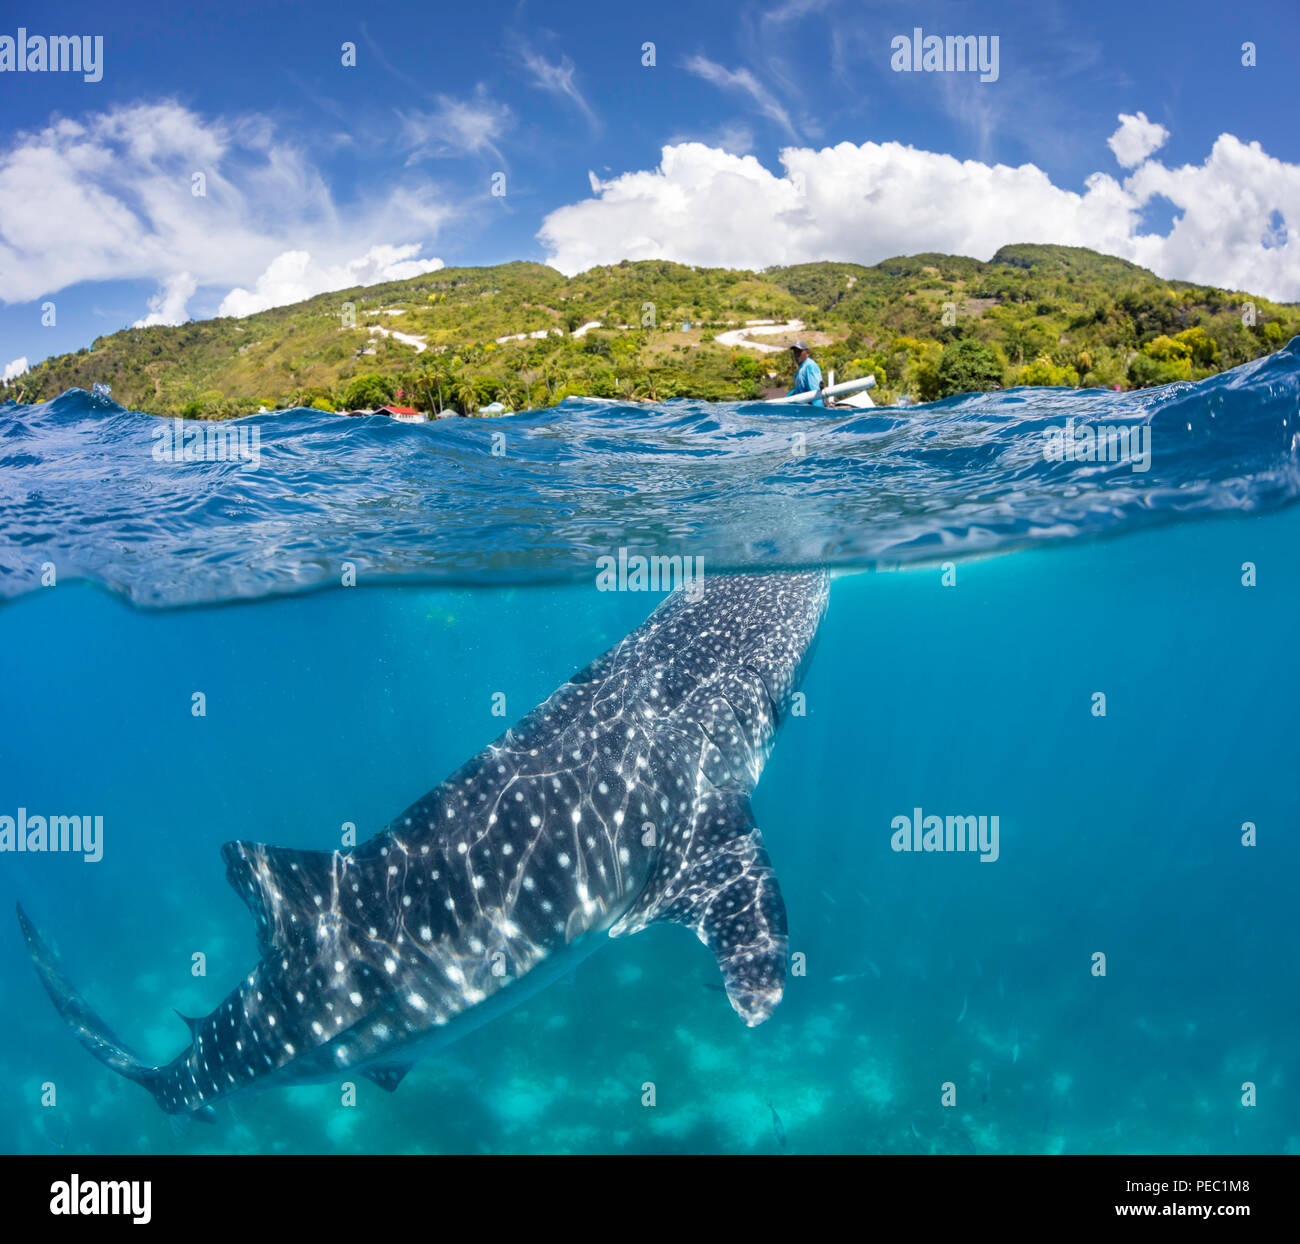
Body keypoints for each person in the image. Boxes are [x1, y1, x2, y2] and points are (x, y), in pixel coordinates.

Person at [787, 340, 824, 406]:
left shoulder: (810, 366)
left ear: (807, 353)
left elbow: (816, 392)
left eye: (799, 351)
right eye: (795, 352)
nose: (796, 354)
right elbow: (798, 390)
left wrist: (818, 412)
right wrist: (782, 401)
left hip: (810, 411)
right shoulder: (801, 367)